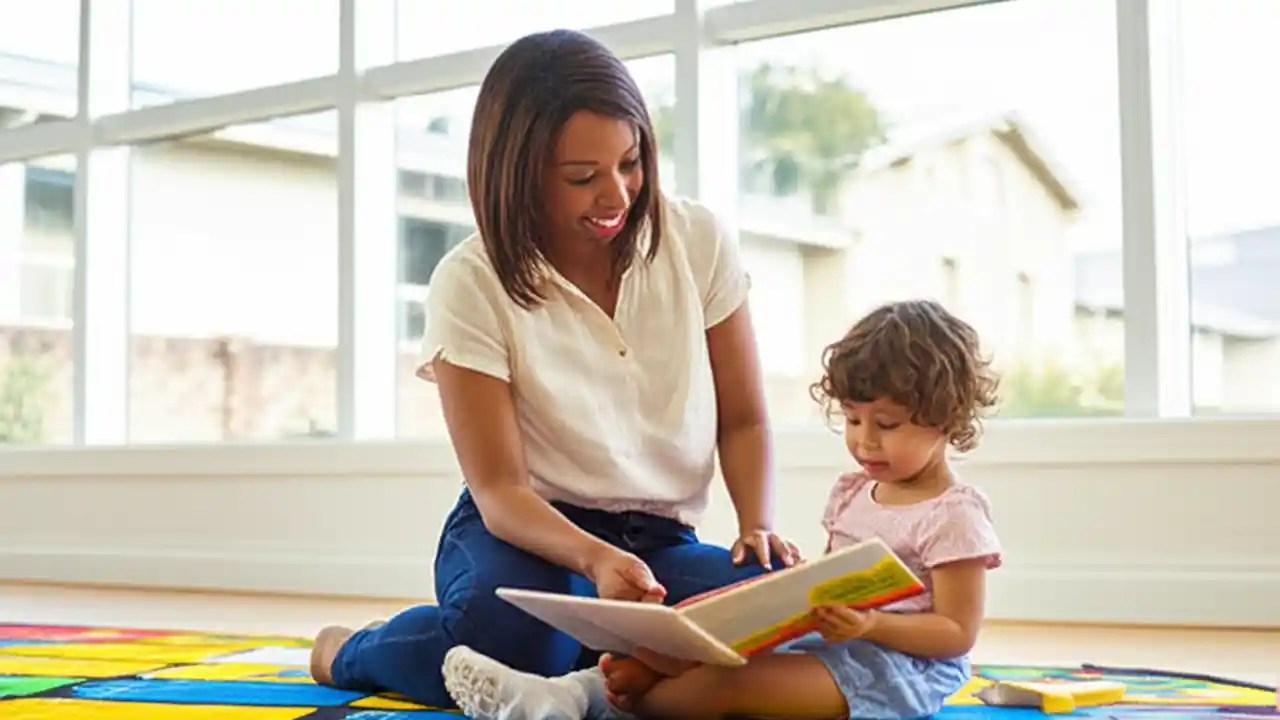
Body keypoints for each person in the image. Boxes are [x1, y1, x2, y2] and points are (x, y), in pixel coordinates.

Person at [307, 28, 800, 709]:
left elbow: (743, 419)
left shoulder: (697, 240)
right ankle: (353, 651)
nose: (617, 195)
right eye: (582, 178)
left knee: (778, 623)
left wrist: (756, 523)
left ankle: (587, 664)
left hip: (658, 542)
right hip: (524, 532)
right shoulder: (470, 281)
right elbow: (500, 490)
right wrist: (594, 558)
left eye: (630, 163)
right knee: (519, 640)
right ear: (520, 173)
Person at [441, 299, 1005, 719]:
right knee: (679, 649)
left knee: (723, 686)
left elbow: (956, 633)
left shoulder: (952, 514)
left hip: (897, 668)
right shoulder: (854, 491)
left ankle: (582, 706)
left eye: (886, 425)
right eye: (853, 419)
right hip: (837, 642)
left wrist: (871, 624)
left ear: (947, 418)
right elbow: (846, 581)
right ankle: (564, 695)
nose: (864, 441)